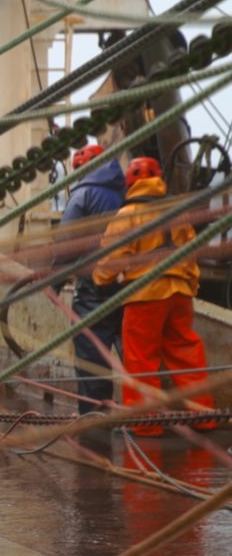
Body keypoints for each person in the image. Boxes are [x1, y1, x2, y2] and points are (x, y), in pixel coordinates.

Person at [92, 157, 217, 437]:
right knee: (187, 355)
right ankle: (204, 417)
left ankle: (146, 424)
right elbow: (191, 252)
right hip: (180, 293)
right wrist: (190, 287)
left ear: (131, 183)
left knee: (141, 358)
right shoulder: (176, 212)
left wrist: (101, 280)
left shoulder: (129, 214)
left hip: (146, 294)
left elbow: (113, 258)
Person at [57, 144, 126, 415]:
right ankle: (147, 417)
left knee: (91, 354)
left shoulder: (82, 195)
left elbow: (65, 245)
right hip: (127, 285)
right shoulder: (126, 192)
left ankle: (94, 417)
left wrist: (52, 285)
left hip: (93, 288)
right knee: (134, 354)